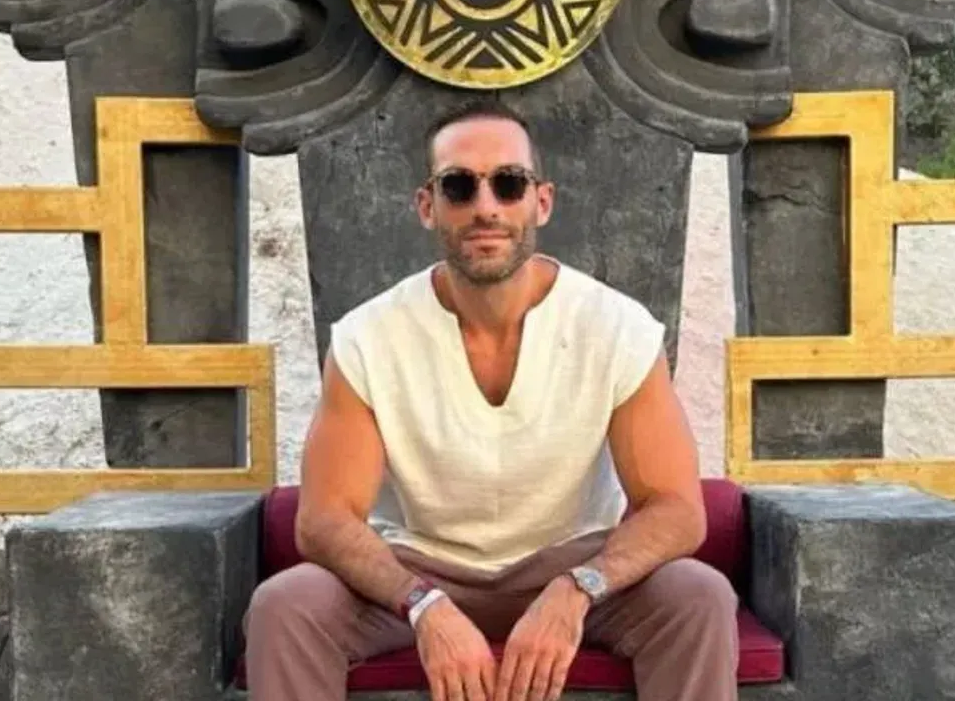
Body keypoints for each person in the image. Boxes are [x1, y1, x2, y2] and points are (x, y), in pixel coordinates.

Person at [243, 100, 739, 701]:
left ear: (542, 201)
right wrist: (422, 603)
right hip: (418, 563)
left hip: (572, 560)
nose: (486, 207)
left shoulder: (615, 327)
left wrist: (578, 588)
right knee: (286, 605)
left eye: (509, 184)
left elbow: (677, 510)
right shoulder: (368, 338)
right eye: (459, 186)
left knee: (697, 596)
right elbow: (324, 521)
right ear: (428, 205)